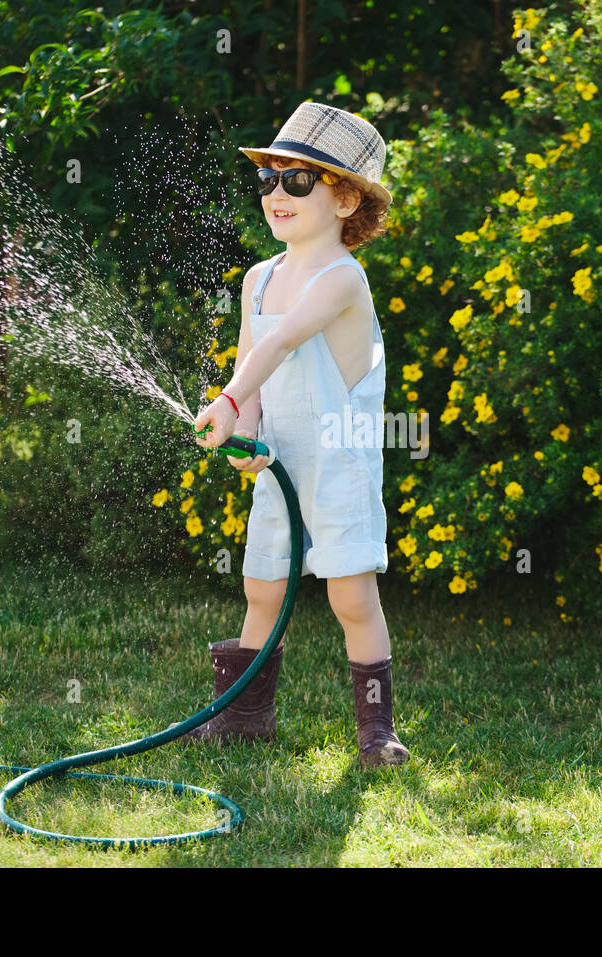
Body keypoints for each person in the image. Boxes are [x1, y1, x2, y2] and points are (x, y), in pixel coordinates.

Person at [189, 101, 409, 769]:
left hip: (337, 461)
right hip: (282, 458)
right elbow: (251, 369)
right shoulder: (260, 278)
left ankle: (377, 731)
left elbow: (285, 340)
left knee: (350, 592)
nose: (276, 194)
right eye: (268, 180)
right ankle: (244, 716)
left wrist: (224, 400)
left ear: (345, 200)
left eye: (298, 181)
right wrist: (245, 428)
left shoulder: (342, 277)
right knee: (263, 586)